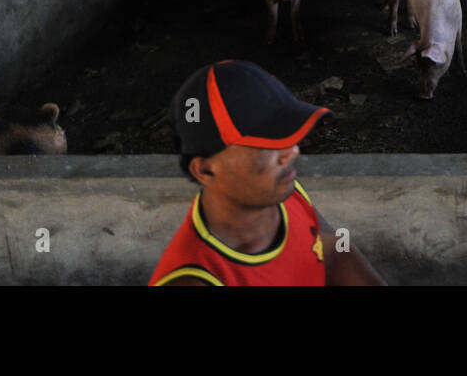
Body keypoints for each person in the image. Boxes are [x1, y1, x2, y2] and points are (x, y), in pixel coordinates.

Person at [149, 60, 385, 286]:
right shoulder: (197, 279)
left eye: (286, 135)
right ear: (205, 170)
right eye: (264, 144)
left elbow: (333, 249)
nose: (292, 152)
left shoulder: (283, 194)